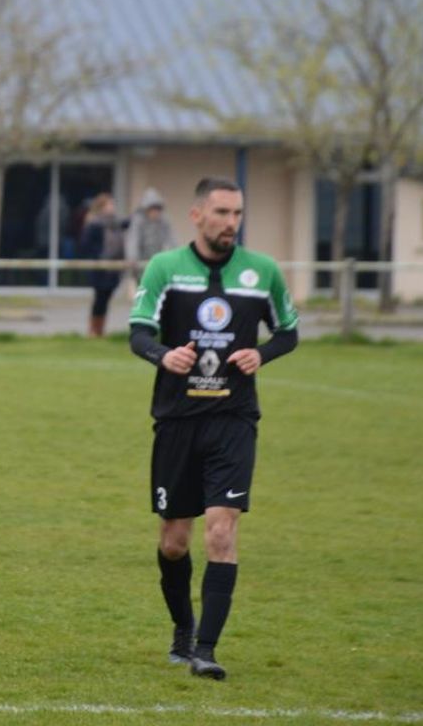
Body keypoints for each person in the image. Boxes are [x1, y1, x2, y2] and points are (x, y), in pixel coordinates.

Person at [128, 177, 299, 680]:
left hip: (234, 419)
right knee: (174, 541)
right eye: (222, 212)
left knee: (222, 533)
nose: (231, 223)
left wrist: (261, 353)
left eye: (238, 213)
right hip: (178, 420)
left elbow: (288, 332)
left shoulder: (262, 272)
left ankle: (205, 649)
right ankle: (183, 630)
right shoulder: (165, 269)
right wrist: (165, 355)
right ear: (197, 215)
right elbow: (138, 332)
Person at [79, 192, 128, 337]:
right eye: (109, 204)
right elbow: (85, 246)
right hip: (100, 268)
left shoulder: (115, 223)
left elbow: (127, 224)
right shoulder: (94, 224)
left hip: (113, 267)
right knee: (100, 299)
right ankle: (93, 330)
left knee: (106, 298)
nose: (112, 207)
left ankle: (100, 330)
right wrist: (99, 256)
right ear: (101, 207)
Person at [125, 187, 176, 282]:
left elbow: (170, 239)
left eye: (157, 209)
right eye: (152, 209)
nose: (155, 212)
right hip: (140, 262)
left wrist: (173, 256)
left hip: (156, 261)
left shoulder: (163, 220)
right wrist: (132, 257)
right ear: (146, 209)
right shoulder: (138, 220)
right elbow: (133, 239)